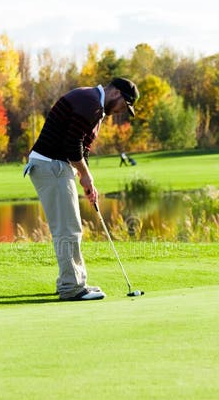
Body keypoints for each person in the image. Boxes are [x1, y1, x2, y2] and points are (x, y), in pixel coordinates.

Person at [24, 77, 139, 301]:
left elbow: (82, 147)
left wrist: (88, 180)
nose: (122, 111)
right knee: (68, 229)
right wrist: (84, 175)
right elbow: (71, 146)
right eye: (125, 106)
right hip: (52, 165)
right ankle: (71, 287)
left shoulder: (95, 104)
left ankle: (73, 280)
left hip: (56, 166)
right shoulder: (91, 103)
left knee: (70, 227)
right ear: (116, 94)